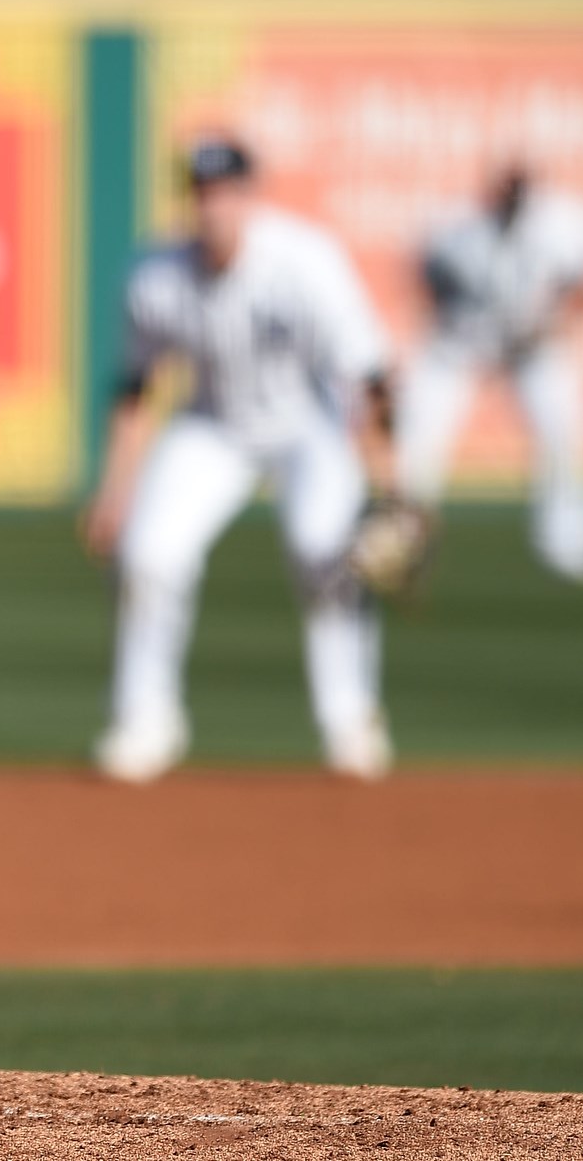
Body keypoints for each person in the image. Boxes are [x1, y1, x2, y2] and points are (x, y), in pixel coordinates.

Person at [82, 137, 398, 783]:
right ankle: (146, 721)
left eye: (226, 192)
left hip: (306, 425)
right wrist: (115, 491)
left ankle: (352, 720)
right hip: (212, 425)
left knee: (324, 551)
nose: (214, 206)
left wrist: (392, 487)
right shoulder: (155, 276)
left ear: (251, 197)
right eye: (202, 192)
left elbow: (368, 376)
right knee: (149, 553)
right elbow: (135, 390)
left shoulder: (306, 260)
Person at [397, 160, 583, 582]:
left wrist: (559, 322)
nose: (513, 199)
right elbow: (424, 276)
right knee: (418, 438)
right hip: (461, 342)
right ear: (492, 191)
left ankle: (571, 545)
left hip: (532, 344)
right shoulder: (456, 226)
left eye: (520, 191)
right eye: (507, 190)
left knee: (563, 434)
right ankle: (403, 542)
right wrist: (449, 320)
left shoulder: (564, 225)